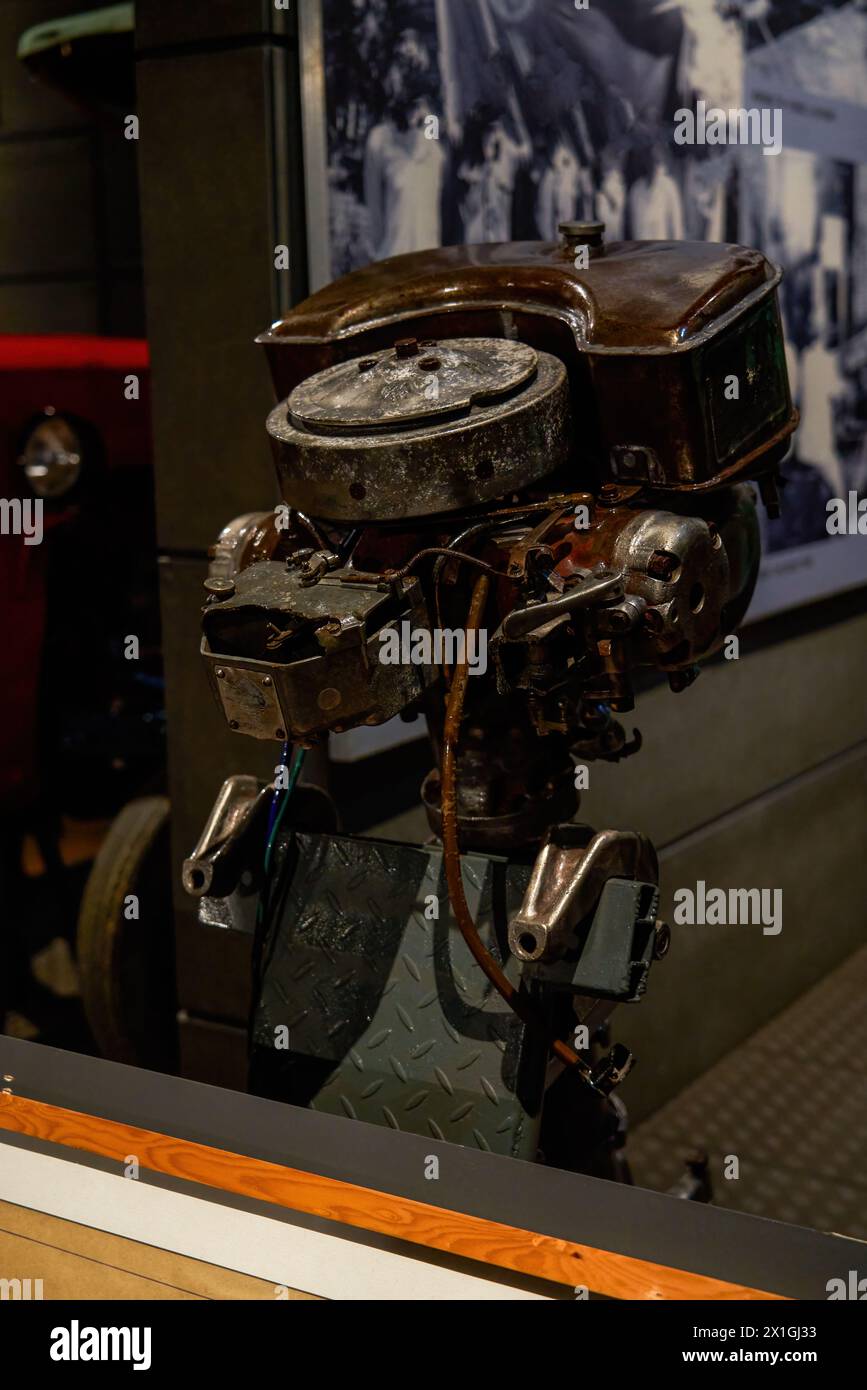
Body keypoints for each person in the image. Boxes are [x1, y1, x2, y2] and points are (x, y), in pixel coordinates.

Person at [363, 33, 445, 261]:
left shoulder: (432, 131)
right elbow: (374, 214)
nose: (409, 68)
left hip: (430, 264)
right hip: (393, 264)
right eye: (401, 61)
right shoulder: (379, 139)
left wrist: (421, 108)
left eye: (415, 61)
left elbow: (435, 173)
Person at [625, 144, 685, 241]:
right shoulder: (636, 189)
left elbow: (677, 227)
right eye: (649, 160)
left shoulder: (669, 186)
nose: (652, 164)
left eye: (656, 160)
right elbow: (634, 225)